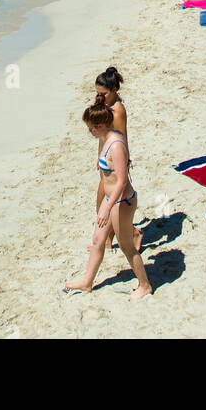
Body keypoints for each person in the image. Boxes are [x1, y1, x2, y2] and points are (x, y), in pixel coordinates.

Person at [64, 102, 151, 300]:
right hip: (110, 199)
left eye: (91, 128)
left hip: (122, 202)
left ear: (101, 126)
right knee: (98, 241)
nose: (89, 132)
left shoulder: (116, 145)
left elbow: (121, 181)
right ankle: (87, 281)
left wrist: (106, 208)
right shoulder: (107, 138)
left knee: (127, 247)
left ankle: (145, 285)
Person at [92, 67, 142, 253]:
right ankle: (107, 239)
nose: (99, 97)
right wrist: (99, 156)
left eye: (103, 94)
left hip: (115, 163)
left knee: (109, 206)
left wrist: (123, 163)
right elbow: (102, 135)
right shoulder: (105, 105)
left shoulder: (117, 111)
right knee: (103, 204)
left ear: (113, 91)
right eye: (97, 93)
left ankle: (133, 234)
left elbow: (122, 138)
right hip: (105, 159)